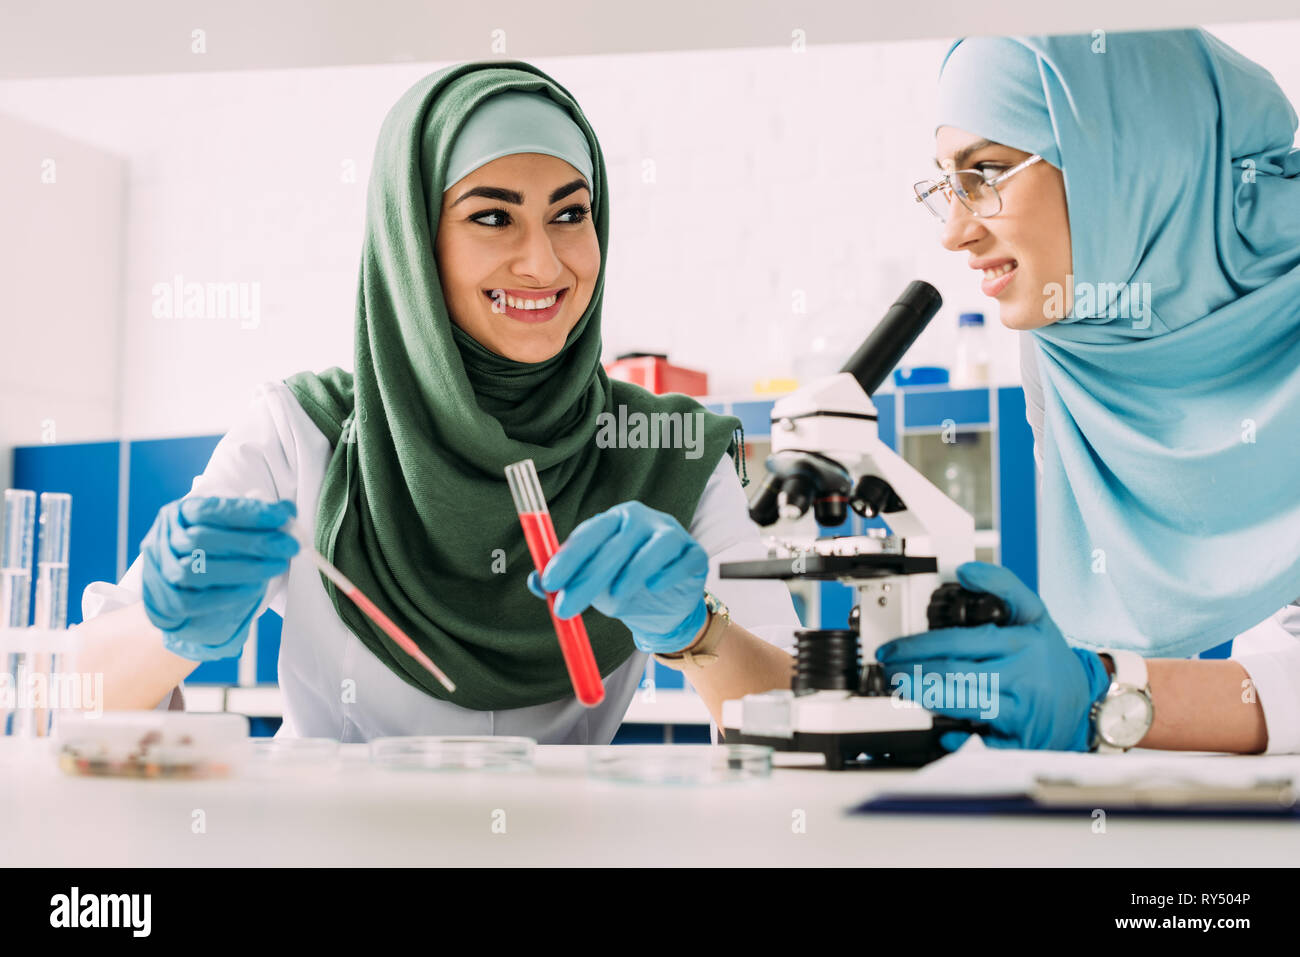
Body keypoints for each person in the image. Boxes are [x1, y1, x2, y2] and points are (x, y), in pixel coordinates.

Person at [74, 61, 799, 743]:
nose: (544, 262)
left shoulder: (662, 452)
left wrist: (699, 633)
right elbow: (79, 696)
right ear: (413, 240)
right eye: (493, 217)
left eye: (570, 214)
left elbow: (799, 725)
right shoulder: (302, 436)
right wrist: (167, 627)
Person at [880, 29, 1300, 754]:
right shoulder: (1065, 350)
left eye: (986, 170)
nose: (955, 232)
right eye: (949, 182)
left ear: (1129, 154)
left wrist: (1106, 693)